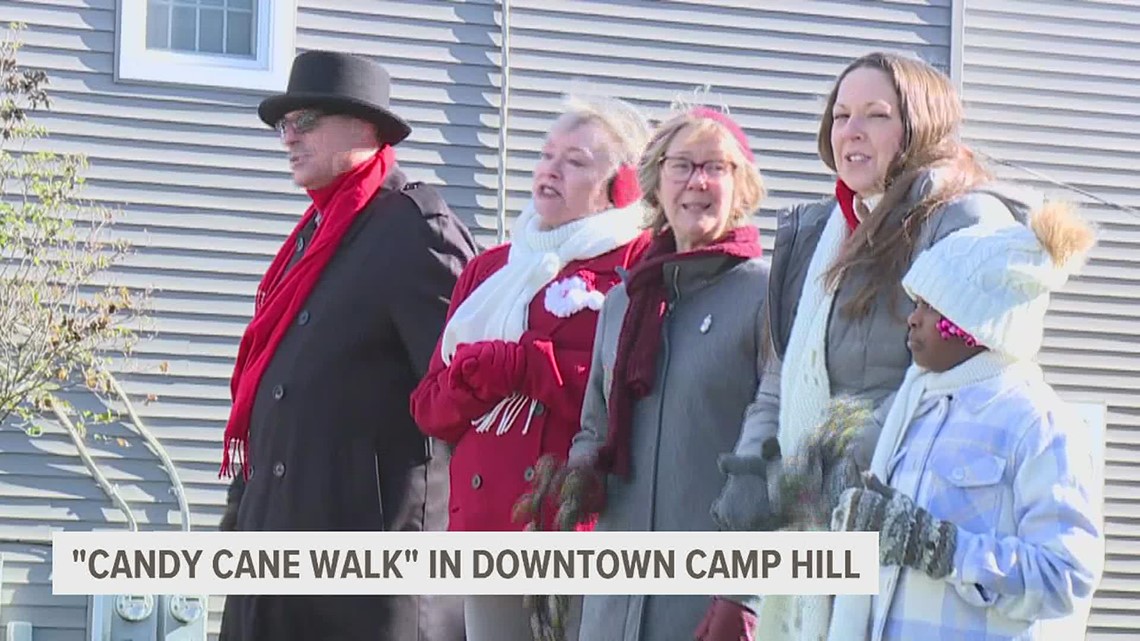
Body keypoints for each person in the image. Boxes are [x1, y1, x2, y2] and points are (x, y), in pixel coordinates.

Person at [710, 52, 1050, 640]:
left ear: (920, 126)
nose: (852, 131)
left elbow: (944, 382)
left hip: (905, 525)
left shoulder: (961, 220)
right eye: (840, 115)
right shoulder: (818, 230)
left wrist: (831, 471)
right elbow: (784, 372)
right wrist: (753, 467)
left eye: (876, 114)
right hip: (817, 522)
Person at [217, 50, 477, 641]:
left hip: (366, 591)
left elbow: (469, 401)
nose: (288, 138)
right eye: (284, 126)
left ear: (364, 127)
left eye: (303, 121)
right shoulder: (315, 235)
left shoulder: (417, 230)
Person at [409, 92, 653, 641]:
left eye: (575, 161)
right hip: (490, 528)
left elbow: (631, 393)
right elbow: (428, 409)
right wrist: (473, 381)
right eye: (546, 155)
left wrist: (526, 366)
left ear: (623, 184)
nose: (551, 170)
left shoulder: (636, 266)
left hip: (578, 530)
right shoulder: (490, 269)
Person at [828, 202, 1104, 640]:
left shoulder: (1038, 424)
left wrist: (946, 550)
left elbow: (1064, 576)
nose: (913, 317)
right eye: (917, 302)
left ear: (979, 325)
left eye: (932, 307)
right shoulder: (913, 410)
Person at [547, 104, 769, 641]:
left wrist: (744, 593)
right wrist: (575, 476)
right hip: (613, 600)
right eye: (682, 165)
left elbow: (775, 454)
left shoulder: (765, 296)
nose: (698, 181)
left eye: (716, 166)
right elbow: (594, 426)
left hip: (704, 602)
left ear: (741, 187)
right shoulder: (625, 301)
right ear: (656, 184)